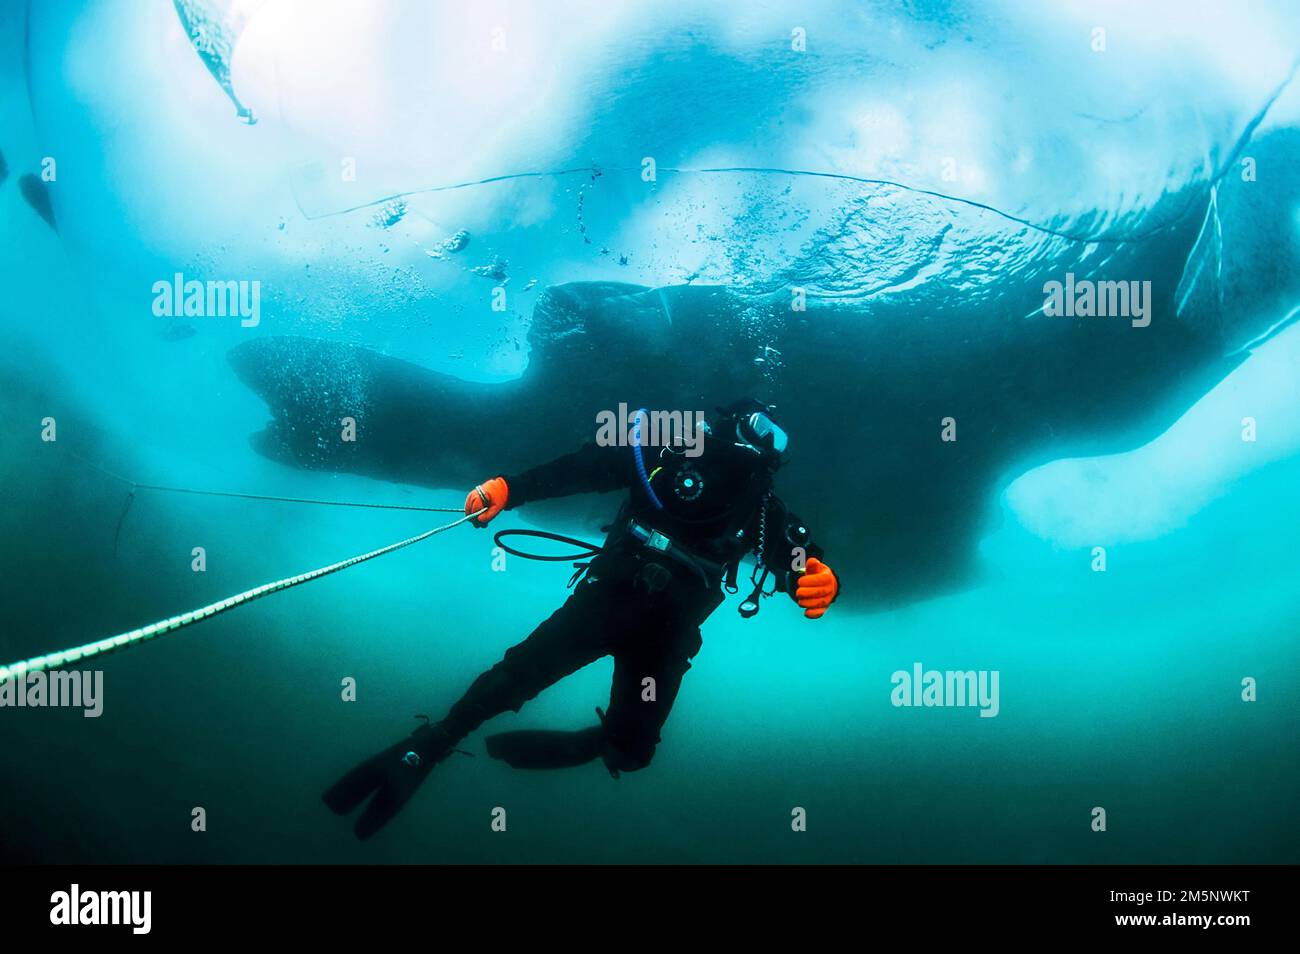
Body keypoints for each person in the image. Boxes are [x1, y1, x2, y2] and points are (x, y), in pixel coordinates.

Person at [324, 399, 839, 839]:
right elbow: (583, 468)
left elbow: (794, 553)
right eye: (760, 428)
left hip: (667, 636)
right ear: (727, 422)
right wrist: (510, 488)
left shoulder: (762, 507)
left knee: (632, 754)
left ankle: (598, 744)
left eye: (776, 438)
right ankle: (428, 746)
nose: (767, 444)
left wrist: (815, 575)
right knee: (512, 678)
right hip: (605, 601)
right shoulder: (659, 454)